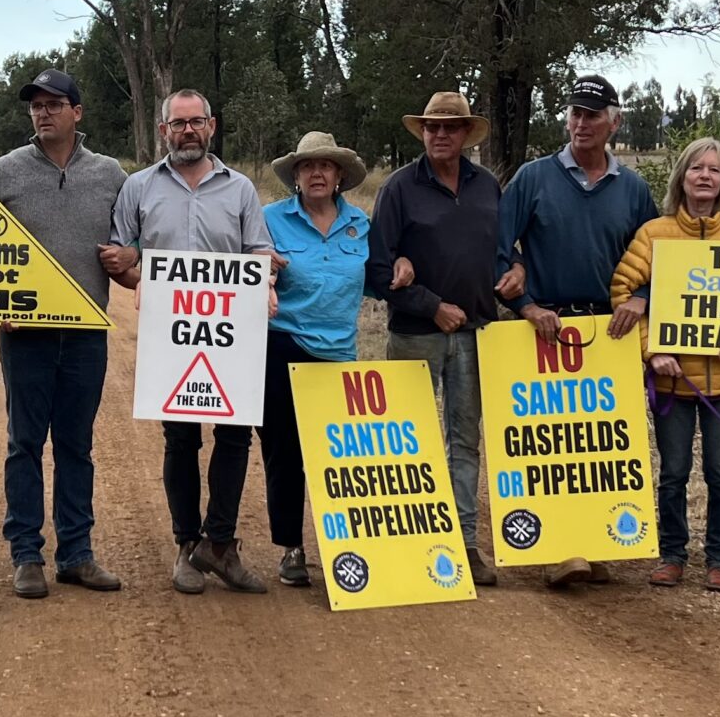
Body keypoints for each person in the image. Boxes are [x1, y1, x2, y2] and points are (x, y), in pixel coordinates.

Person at [110, 90, 275, 596]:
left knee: (234, 437)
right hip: (171, 336)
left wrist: (266, 276)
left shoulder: (242, 188)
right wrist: (138, 278)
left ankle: (220, 545)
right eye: (177, 123)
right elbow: (122, 253)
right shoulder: (138, 187)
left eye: (196, 122)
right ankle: (186, 543)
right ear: (163, 131)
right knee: (180, 440)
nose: (187, 131)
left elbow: (260, 249)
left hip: (232, 336)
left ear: (212, 126)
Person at [500, 73, 661, 588]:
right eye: (574, 112)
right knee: (548, 442)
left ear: (614, 122)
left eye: (592, 114)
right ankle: (559, 547)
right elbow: (498, 247)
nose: (581, 122)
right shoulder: (534, 177)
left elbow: (661, 258)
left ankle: (595, 540)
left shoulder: (633, 188)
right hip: (545, 326)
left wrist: (643, 297)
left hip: (609, 331)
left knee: (599, 444)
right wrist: (524, 305)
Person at [0, 68, 128, 600]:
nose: (42, 112)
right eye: (35, 105)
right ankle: (25, 555)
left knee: (76, 446)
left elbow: (131, 244)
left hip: (87, 332)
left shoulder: (111, 175)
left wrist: (130, 257)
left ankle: (77, 554)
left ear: (77, 113)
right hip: (27, 335)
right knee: (23, 443)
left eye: (53, 104)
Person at [609, 137, 720, 592]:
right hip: (672, 380)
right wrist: (651, 350)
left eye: (714, 170)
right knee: (673, 471)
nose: (705, 176)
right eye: (696, 168)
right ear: (682, 176)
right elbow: (623, 292)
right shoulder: (654, 234)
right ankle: (672, 554)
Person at [366, 91, 505, 586]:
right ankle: (407, 541)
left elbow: (505, 251)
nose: (440, 135)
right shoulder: (399, 188)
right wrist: (432, 305)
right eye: (431, 127)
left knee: (465, 443)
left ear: (467, 133)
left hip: (476, 336)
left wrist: (518, 272)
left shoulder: (488, 187)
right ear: (421, 132)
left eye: (450, 127)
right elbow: (378, 270)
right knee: (407, 443)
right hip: (414, 336)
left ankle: (464, 543)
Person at [259, 131, 372, 587]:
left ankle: (345, 545)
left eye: (326, 165)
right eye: (308, 166)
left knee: (338, 455)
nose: (317, 173)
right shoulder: (269, 220)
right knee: (284, 454)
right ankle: (291, 547)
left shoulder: (361, 223)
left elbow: (379, 275)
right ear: (296, 176)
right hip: (281, 346)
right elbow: (243, 262)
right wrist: (260, 264)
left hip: (339, 354)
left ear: (340, 175)